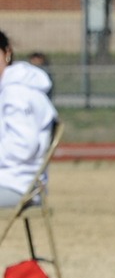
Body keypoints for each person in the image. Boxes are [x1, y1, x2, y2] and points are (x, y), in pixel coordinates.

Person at [0, 31, 57, 212]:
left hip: (17, 185)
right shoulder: (9, 89)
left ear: (7, 52)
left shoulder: (16, 92)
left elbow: (23, 147)